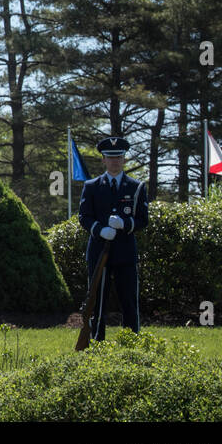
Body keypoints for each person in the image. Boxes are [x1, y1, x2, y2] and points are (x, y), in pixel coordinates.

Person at [77, 136, 149, 342]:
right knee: (97, 300)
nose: (115, 161)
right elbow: (84, 216)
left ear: (124, 159)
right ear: (103, 160)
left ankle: (130, 343)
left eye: (118, 157)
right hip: (99, 251)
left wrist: (125, 225)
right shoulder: (92, 186)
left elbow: (143, 220)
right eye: (110, 157)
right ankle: (96, 341)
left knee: (129, 301)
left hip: (125, 253)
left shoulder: (136, 187)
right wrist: (99, 229)